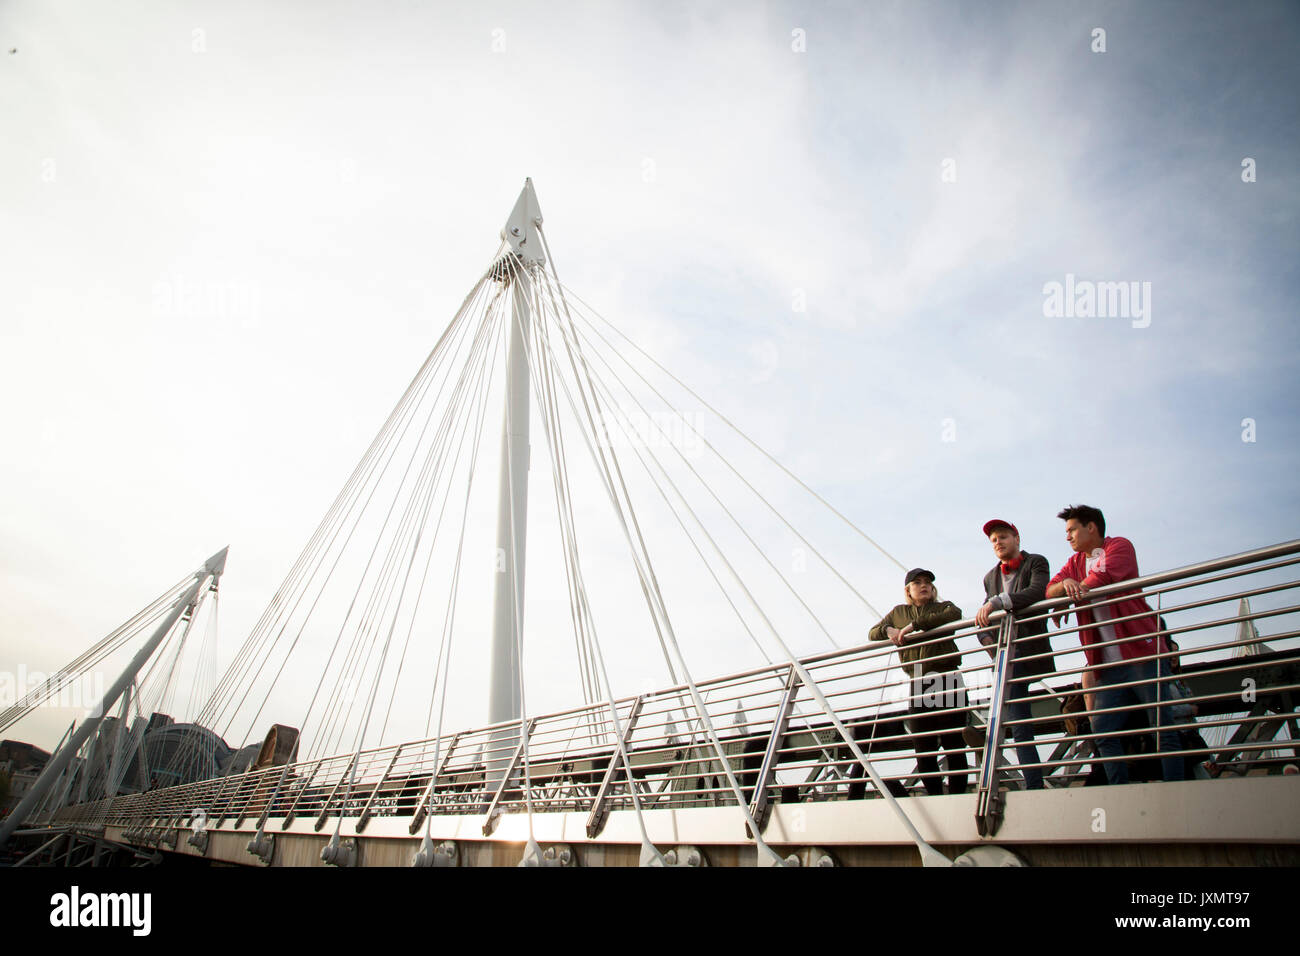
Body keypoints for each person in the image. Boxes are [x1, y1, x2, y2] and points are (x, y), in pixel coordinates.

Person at [1045, 504, 1185, 783]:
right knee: (1103, 732)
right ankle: (1120, 791)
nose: (1068, 536)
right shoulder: (1074, 563)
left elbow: (1105, 575)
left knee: (1163, 729)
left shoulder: (1119, 546)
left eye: (1072, 529)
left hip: (1142, 655)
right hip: (1108, 666)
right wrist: (1066, 587)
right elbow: (1051, 589)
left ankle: (1176, 791)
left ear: (1091, 527)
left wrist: (1074, 591)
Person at [868, 569, 967, 796]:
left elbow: (955, 614)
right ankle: (935, 796)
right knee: (924, 749)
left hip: (947, 676)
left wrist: (915, 626)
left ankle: (957, 797)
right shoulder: (898, 612)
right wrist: (888, 629)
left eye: (928, 583)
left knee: (954, 745)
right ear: (908, 590)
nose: (924, 586)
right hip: (918, 680)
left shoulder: (944, 606)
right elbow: (872, 633)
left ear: (933, 589)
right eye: (917, 583)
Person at [974, 519, 1055, 790]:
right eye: (994, 539)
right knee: (1016, 720)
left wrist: (999, 602)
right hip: (1004, 656)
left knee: (1016, 720)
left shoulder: (1036, 562)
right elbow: (982, 623)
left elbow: (1036, 592)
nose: (998, 542)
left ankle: (1033, 784)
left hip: (1029, 650)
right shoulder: (989, 577)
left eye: (1003, 537)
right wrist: (991, 649)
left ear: (1016, 538)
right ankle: (1030, 782)